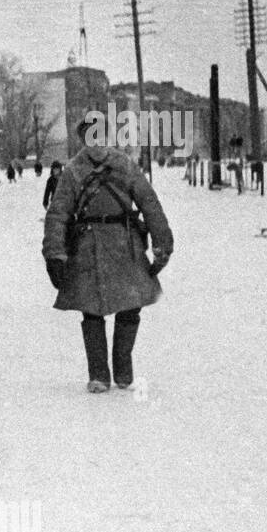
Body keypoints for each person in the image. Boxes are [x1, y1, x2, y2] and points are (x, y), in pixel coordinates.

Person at [43, 122, 174, 393]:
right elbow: (58, 213)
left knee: (130, 306)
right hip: (87, 246)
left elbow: (149, 203)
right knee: (91, 309)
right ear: (83, 141)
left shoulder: (124, 165)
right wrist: (55, 253)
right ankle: (99, 375)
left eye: (100, 136)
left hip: (125, 243)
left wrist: (162, 242)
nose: (96, 143)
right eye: (90, 138)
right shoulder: (73, 171)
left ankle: (124, 371)